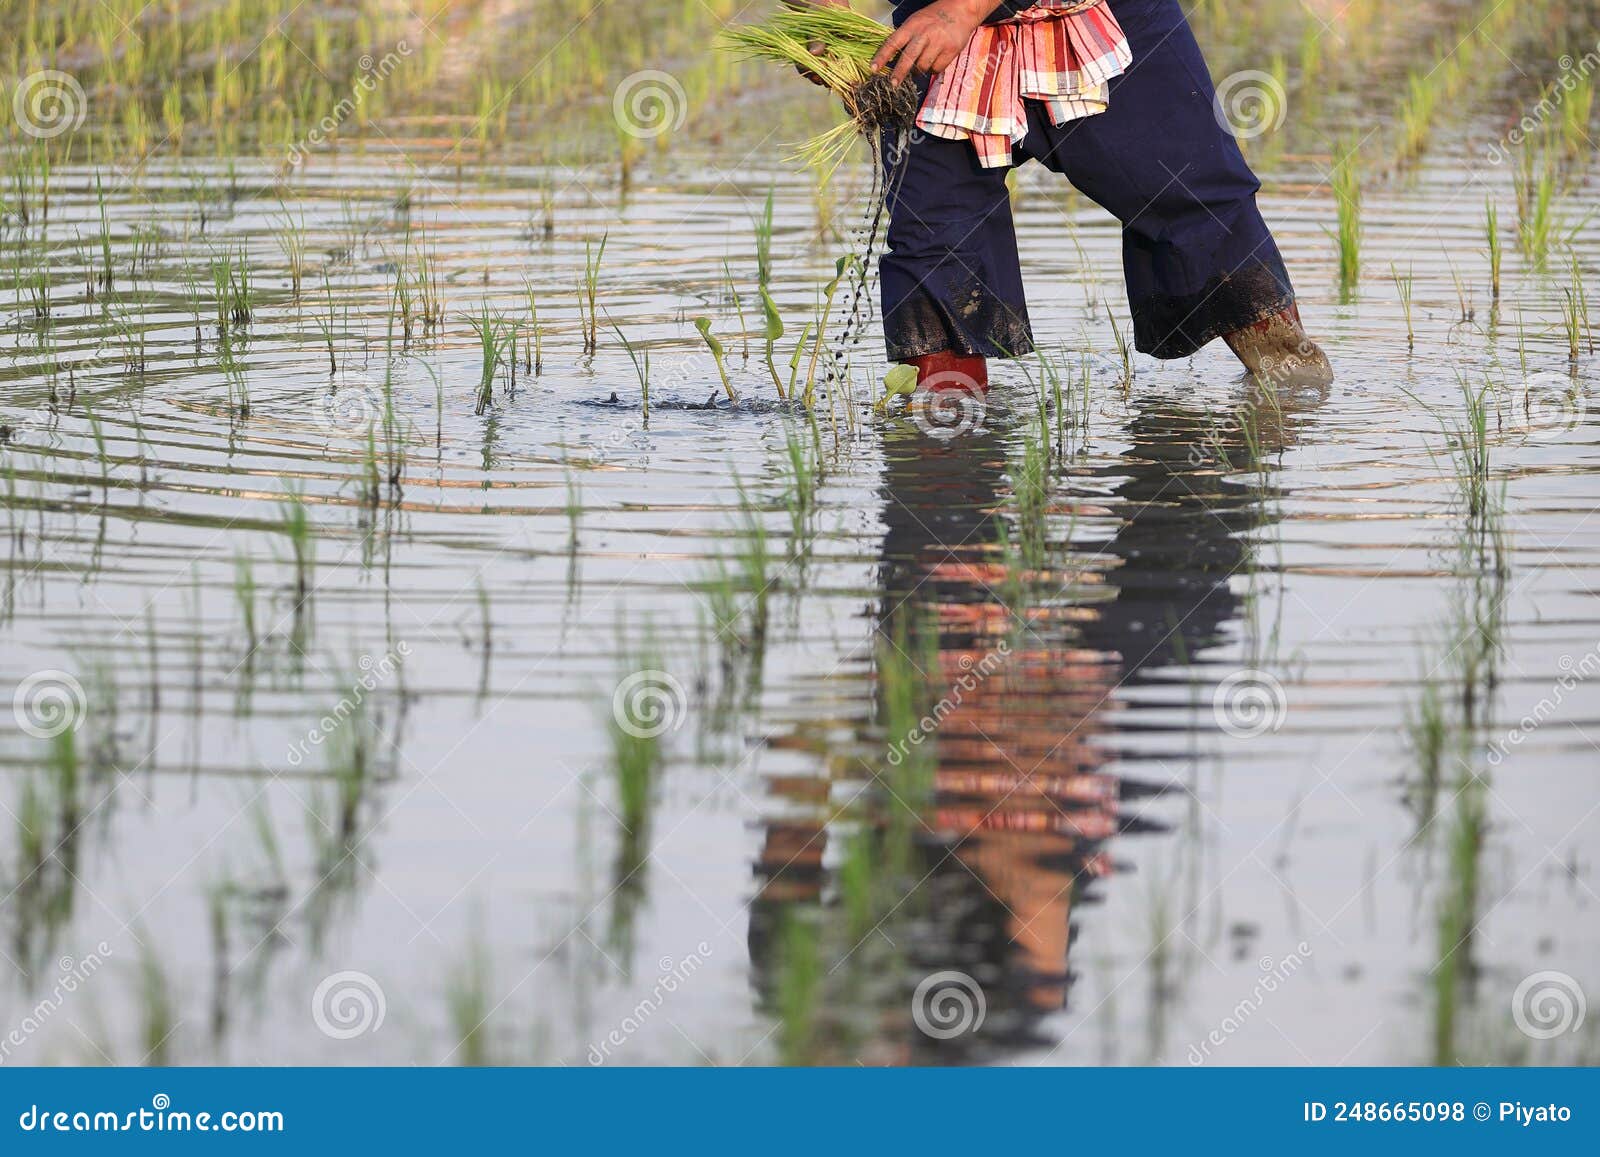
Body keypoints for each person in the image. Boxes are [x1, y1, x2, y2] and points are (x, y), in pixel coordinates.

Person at [802, 0, 1333, 393]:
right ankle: (947, 489)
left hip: (1099, 17)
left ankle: (1292, 405)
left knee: (1198, 211)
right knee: (933, 247)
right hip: (939, 32)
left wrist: (965, 7)